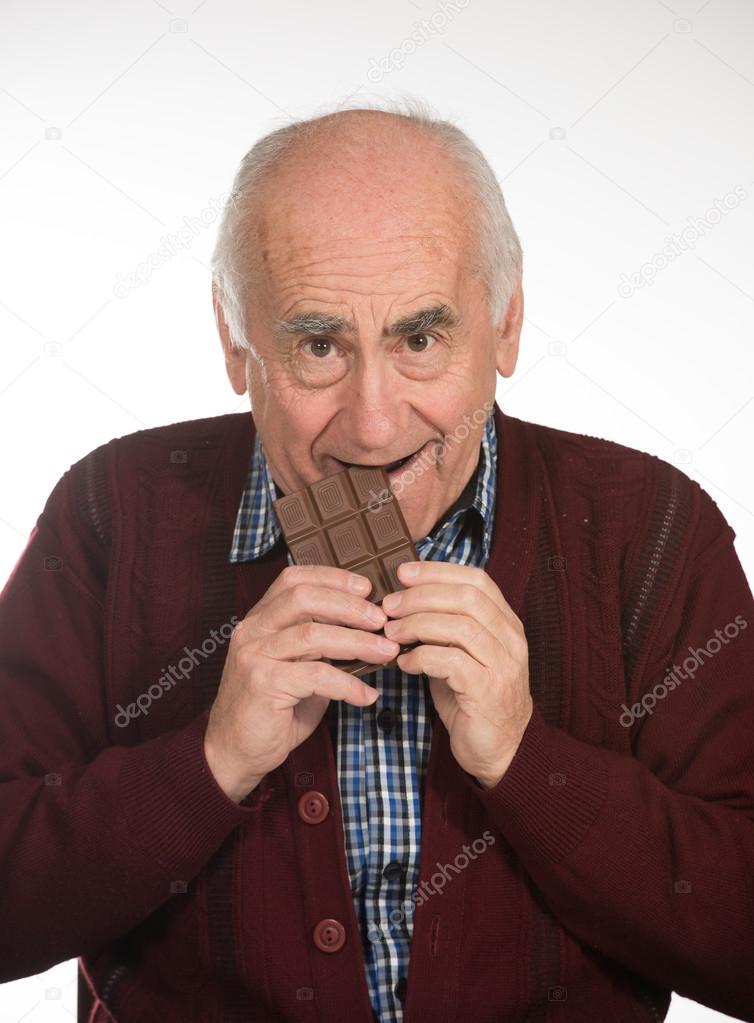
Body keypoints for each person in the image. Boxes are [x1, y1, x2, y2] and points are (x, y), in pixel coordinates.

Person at [1, 99, 753, 1023]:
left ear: (507, 327)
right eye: (319, 345)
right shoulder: (112, 512)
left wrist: (529, 762)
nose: (374, 422)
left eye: (421, 339)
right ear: (236, 344)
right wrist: (212, 759)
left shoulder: (649, 525)